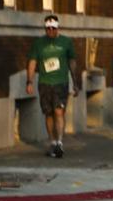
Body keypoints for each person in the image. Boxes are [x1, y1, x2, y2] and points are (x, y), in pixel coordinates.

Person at [26, 14, 79, 158]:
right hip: (45, 83)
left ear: (57, 28)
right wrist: (29, 81)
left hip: (60, 83)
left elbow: (72, 62)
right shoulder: (38, 44)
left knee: (59, 112)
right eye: (47, 29)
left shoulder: (66, 42)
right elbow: (32, 62)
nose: (50, 31)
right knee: (48, 113)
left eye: (53, 28)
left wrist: (75, 82)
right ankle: (52, 141)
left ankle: (60, 142)